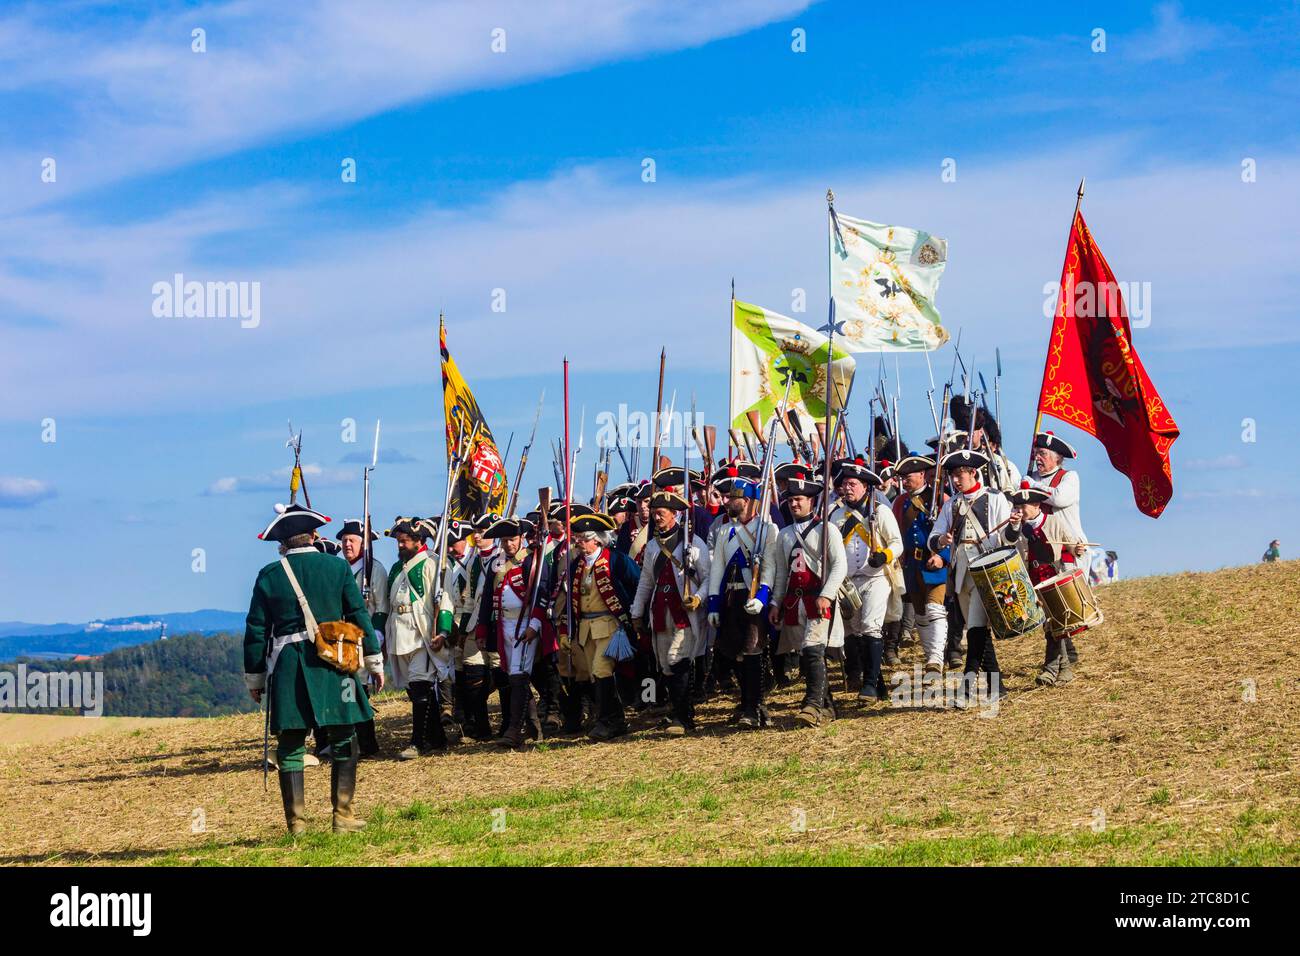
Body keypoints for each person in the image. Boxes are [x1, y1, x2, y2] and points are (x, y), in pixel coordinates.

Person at [244, 504, 384, 835]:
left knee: (291, 744)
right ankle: (342, 817)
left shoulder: (270, 575)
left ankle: (297, 825)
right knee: (344, 737)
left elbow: (256, 632)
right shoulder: (336, 568)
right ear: (314, 536)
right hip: (333, 661)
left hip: (287, 666)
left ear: (283, 543)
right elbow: (358, 614)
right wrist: (373, 660)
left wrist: (256, 678)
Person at [929, 448, 1011, 703]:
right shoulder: (951, 504)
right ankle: (998, 687)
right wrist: (941, 540)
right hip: (961, 572)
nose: (955, 480)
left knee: (975, 629)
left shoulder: (995, 498)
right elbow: (934, 539)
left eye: (960, 474)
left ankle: (965, 689)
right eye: (953, 475)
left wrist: (1016, 526)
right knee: (979, 631)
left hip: (987, 569)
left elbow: (1008, 538)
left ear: (973, 472)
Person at [769, 467, 847, 728]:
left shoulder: (827, 529)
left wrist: (827, 595)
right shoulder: (784, 536)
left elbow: (839, 566)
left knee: (814, 650)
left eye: (799, 499)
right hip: (795, 602)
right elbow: (782, 574)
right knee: (808, 652)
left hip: (818, 600)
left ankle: (812, 704)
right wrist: (776, 603)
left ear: (811, 501)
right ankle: (828, 706)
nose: (794, 504)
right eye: (790, 500)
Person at [629, 489, 711, 736]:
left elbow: (707, 578)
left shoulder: (693, 543)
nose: (656, 518)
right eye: (653, 513)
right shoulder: (652, 546)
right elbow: (646, 581)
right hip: (660, 611)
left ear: (674, 514)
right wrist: (636, 612)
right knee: (665, 663)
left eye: (661, 513)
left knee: (677, 659)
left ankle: (683, 717)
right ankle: (679, 711)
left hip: (685, 613)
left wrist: (698, 597)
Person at [554, 512, 642, 741]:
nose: (579, 543)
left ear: (597, 540)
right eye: (578, 538)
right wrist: (565, 631)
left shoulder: (617, 560)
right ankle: (617, 720)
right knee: (595, 675)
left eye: (584, 538)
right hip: (586, 628)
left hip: (610, 625)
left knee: (601, 670)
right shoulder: (575, 566)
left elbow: (639, 582)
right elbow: (569, 601)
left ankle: (604, 722)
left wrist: (634, 613)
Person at [828, 456, 903, 703]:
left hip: (876, 578)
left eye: (852, 484)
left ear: (864, 486)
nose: (847, 489)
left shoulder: (879, 512)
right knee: (855, 631)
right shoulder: (835, 516)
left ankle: (869, 685)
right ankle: (878, 683)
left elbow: (897, 544)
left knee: (871, 626)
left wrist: (883, 556)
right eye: (844, 484)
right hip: (847, 583)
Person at [707, 466, 777, 728]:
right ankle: (746, 702)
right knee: (733, 651)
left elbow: (769, 567)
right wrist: (713, 603)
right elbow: (717, 569)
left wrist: (761, 596)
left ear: (745, 501)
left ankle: (754, 705)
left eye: (732, 498)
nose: (726, 502)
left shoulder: (767, 529)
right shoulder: (725, 531)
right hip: (730, 598)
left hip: (753, 598)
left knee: (753, 651)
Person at [475, 517, 551, 749]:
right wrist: (482, 628)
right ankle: (533, 726)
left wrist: (534, 626)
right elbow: (487, 598)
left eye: (513, 539)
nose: (509, 544)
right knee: (513, 675)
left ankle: (514, 730)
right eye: (505, 540)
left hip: (525, 623)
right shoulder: (495, 564)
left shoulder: (532, 561)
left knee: (519, 675)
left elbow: (542, 594)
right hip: (503, 625)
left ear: (521, 539)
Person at [1002, 481, 1086, 686]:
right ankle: (1059, 668)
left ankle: (1054, 669)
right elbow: (1007, 541)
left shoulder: (1053, 521)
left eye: (1024, 507)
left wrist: (1078, 549)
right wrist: (1013, 526)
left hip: (1053, 577)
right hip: (1031, 580)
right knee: (1051, 625)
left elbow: (1072, 543)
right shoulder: (1017, 527)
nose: (1020, 511)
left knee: (1055, 623)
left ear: (1037, 506)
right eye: (1018, 507)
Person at [381, 517, 448, 759]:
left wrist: (442, 631)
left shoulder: (433, 563)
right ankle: (437, 737)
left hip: (421, 631)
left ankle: (416, 742)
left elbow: (445, 601)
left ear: (418, 541)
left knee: (421, 685)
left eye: (404, 541)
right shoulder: (397, 568)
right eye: (398, 541)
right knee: (415, 689)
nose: (400, 545)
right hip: (399, 632)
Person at [1027, 431, 1086, 666]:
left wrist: (1032, 487)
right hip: (1038, 551)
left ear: (1057, 458)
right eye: (1036, 454)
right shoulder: (1030, 477)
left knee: (1062, 607)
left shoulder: (1069, 477)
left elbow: (1060, 498)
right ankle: (1066, 653)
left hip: (1067, 550)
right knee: (1048, 607)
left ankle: (1058, 661)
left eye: (1042, 454)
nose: (1038, 458)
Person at [890, 453, 950, 677]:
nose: (904, 480)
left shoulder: (939, 499)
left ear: (922, 474)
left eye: (909, 476)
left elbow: (951, 531)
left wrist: (942, 555)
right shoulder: (900, 502)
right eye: (902, 477)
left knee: (935, 609)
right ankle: (929, 657)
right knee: (920, 614)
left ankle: (936, 658)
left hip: (934, 562)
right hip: (911, 565)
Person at [337, 519, 388, 757]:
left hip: (363, 638)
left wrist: (374, 636)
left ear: (362, 544)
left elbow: (380, 608)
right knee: (344, 692)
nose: (347, 545)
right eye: (345, 540)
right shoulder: (338, 569)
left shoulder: (374, 570)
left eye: (352, 540)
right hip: (340, 638)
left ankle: (367, 743)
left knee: (359, 692)